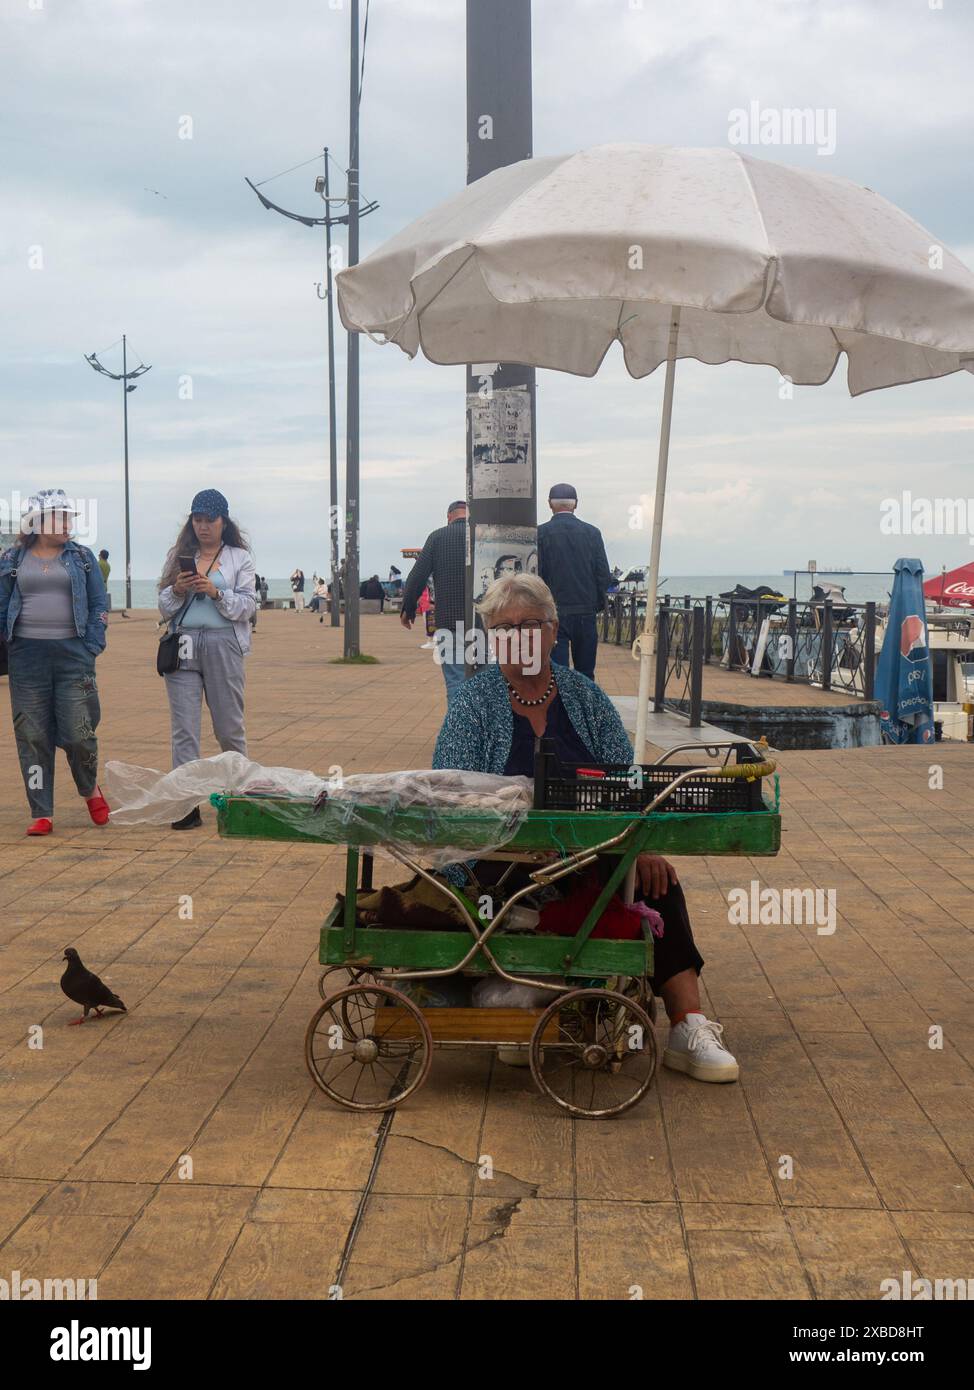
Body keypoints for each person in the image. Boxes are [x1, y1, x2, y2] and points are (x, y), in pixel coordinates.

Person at [433, 572, 738, 1084]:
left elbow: (628, 783)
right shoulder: (473, 704)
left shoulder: (585, 696)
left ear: (553, 632)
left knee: (656, 877)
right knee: (512, 890)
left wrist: (640, 845)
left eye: (530, 624)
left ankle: (690, 1027)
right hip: (500, 868)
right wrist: (527, 849)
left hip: (592, 853)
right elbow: (455, 804)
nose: (519, 637)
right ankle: (522, 1010)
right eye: (504, 629)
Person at [0, 489, 110, 836]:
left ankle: (89, 788)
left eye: (69, 516)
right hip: (27, 657)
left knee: (79, 733)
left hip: (73, 656)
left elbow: (98, 604)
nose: (67, 523)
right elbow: (2, 603)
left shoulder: (82, 558)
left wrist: (91, 645)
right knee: (32, 735)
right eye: (59, 516)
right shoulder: (11, 558)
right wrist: (9, 644)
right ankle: (42, 811)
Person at [158, 489, 256, 830]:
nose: (203, 527)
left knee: (229, 725)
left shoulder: (238, 558)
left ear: (223, 521)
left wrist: (215, 592)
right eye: (197, 520)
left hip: (223, 643)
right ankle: (186, 804)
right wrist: (179, 589)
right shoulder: (180, 556)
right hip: (182, 642)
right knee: (184, 728)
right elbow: (164, 606)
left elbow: (248, 606)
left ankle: (239, 796)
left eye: (209, 520)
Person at [537, 483, 610, 680]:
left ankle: (561, 710)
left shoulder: (540, 534)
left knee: (557, 674)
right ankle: (585, 709)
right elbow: (603, 574)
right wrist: (595, 605)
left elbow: (537, 577)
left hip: (553, 613)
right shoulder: (592, 533)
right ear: (575, 504)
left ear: (550, 505)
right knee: (585, 673)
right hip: (585, 612)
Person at [401, 500, 467, 701]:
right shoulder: (481, 535)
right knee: (482, 681)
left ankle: (460, 729)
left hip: (449, 620)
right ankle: (481, 729)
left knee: (456, 681)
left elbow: (417, 577)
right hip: (483, 622)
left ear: (449, 516)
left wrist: (409, 609)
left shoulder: (438, 537)